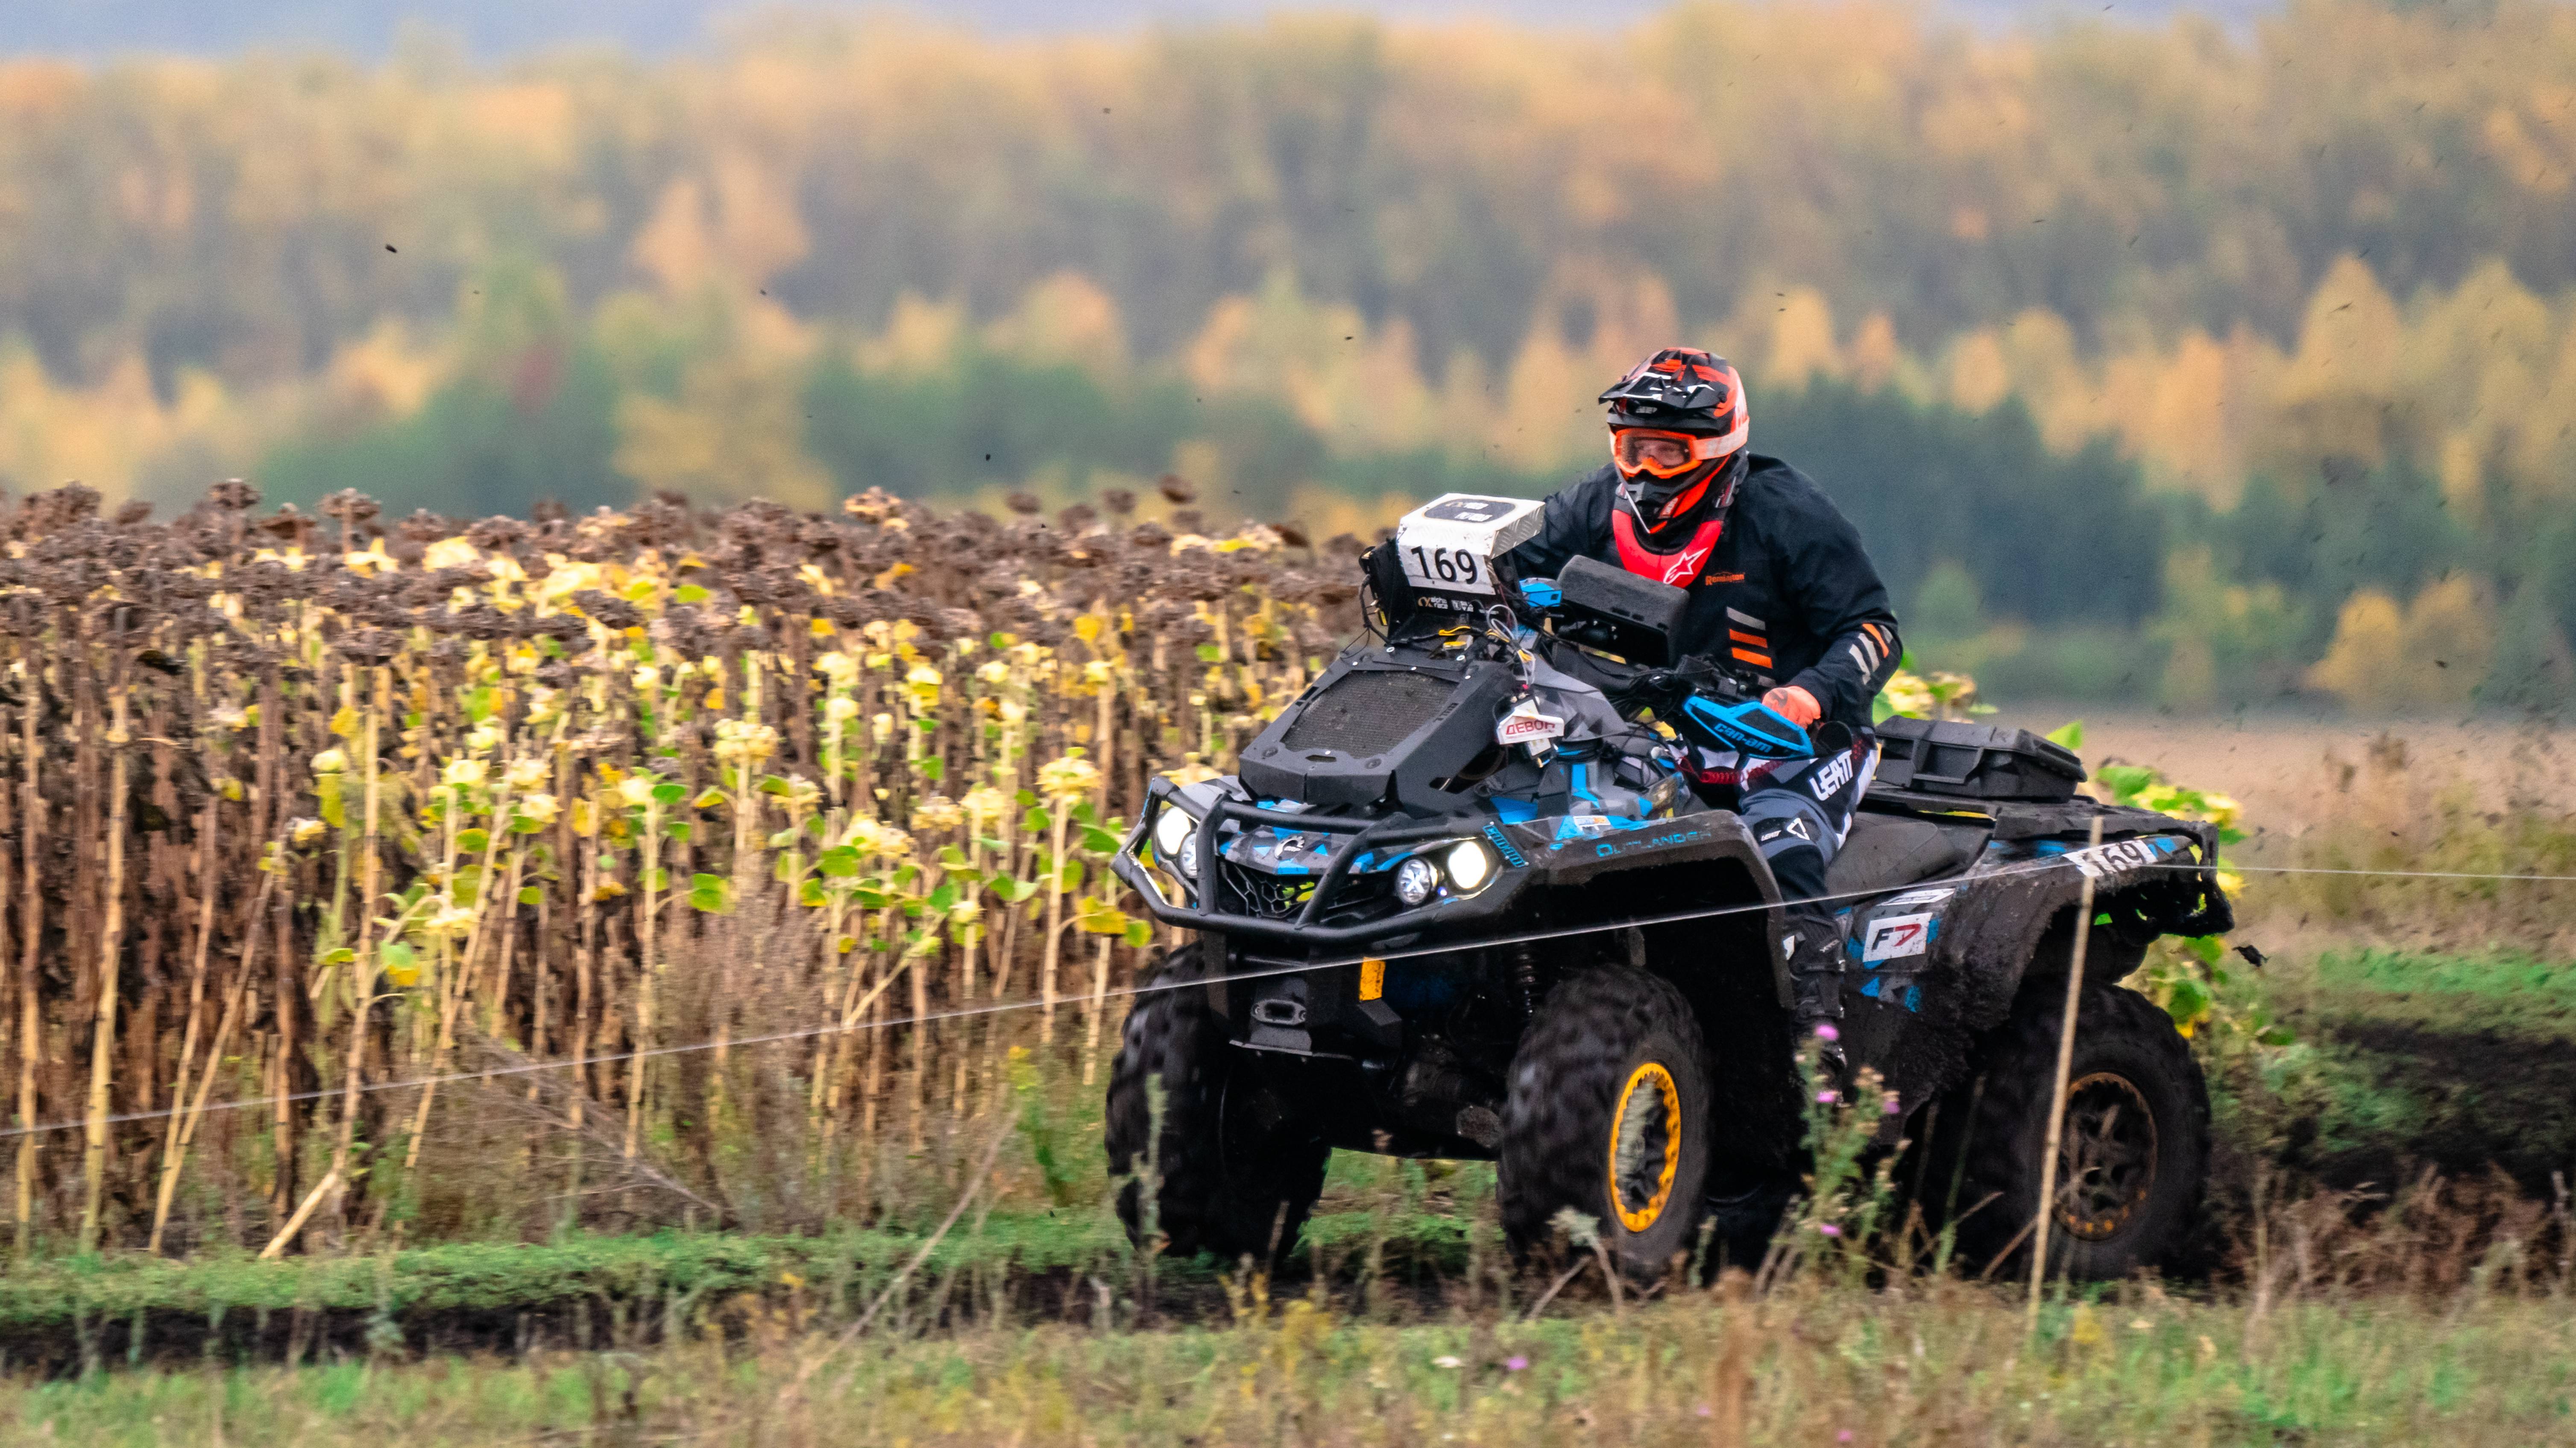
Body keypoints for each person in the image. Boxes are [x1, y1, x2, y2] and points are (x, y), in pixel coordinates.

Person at [1508, 347, 1904, 1049]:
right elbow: (1509, 569)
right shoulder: (1593, 503)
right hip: (1654, 733)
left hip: (1796, 747)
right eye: (1634, 450)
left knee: (1782, 844)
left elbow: (1873, 628)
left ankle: (1819, 1050)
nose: (1645, 472)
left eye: (1669, 453)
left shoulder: (1787, 513)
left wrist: (1809, 695)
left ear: (1717, 448)